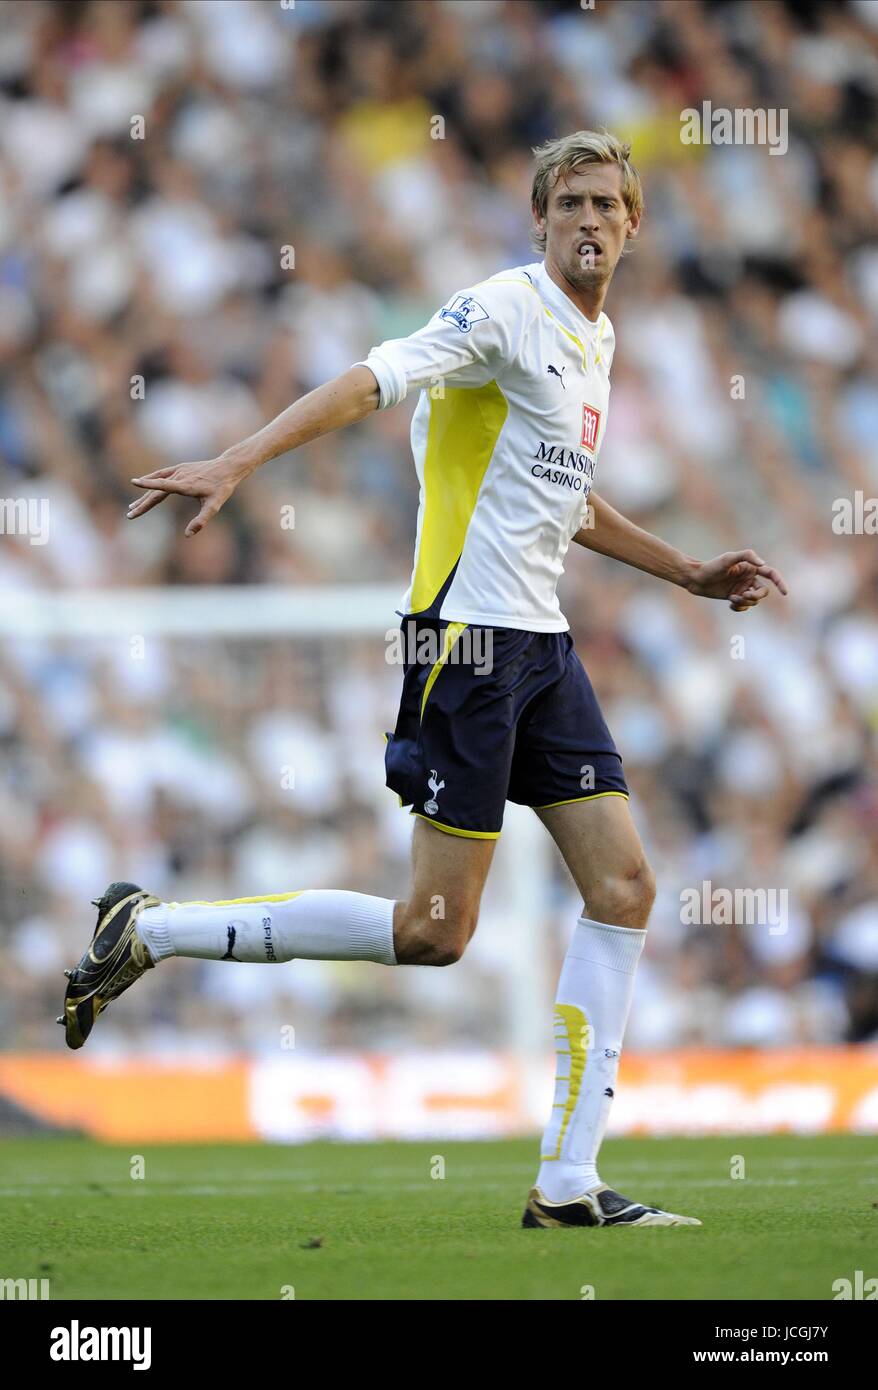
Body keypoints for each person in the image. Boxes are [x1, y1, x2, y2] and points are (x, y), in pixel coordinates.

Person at [61, 131, 786, 1229]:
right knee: (434, 932)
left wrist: (682, 569)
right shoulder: (498, 310)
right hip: (463, 645)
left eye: (607, 205)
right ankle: (152, 928)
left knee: (624, 889)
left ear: (633, 227)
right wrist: (239, 459)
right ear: (539, 217)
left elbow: (567, 498)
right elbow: (370, 380)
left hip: (538, 647)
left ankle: (567, 1184)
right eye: (569, 203)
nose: (588, 220)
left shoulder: (594, 340)